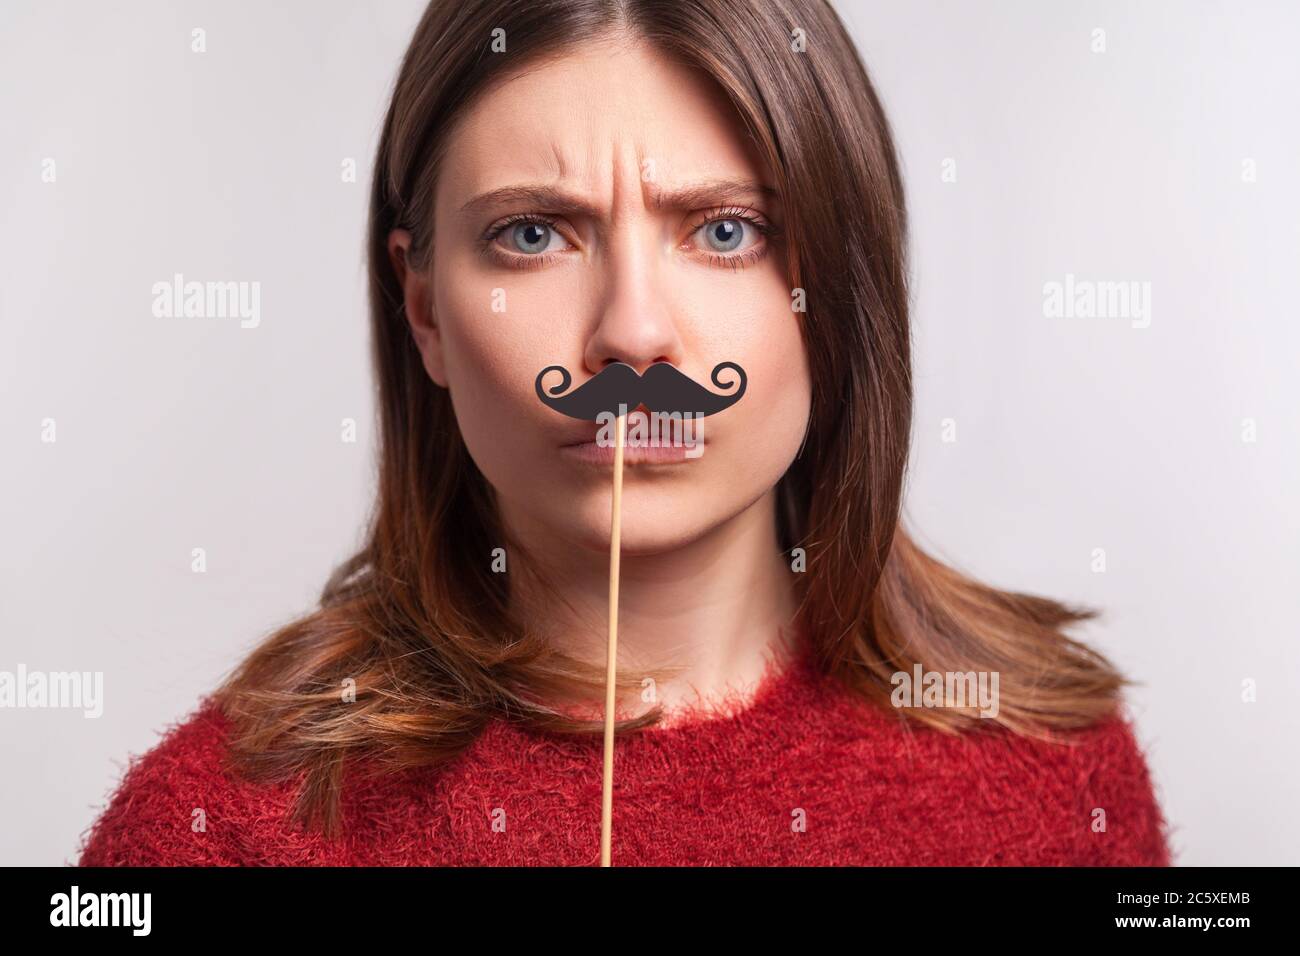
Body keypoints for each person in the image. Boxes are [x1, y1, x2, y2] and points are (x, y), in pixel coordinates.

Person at [77, 0, 1172, 867]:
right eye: (534, 233)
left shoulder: (1047, 770)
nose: (633, 336)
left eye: (727, 230)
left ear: (838, 291)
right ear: (424, 312)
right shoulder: (219, 835)